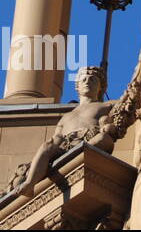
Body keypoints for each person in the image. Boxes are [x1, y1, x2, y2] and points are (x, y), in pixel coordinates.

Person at [16, 66, 115, 197]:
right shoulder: (66, 117)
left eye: (93, 79)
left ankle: (79, 158)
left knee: (103, 139)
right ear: (77, 87)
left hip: (91, 139)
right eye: (84, 79)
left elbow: (126, 104)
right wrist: (51, 148)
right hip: (68, 146)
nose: (87, 81)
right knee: (46, 146)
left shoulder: (106, 105)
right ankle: (30, 183)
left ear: (101, 87)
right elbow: (57, 139)